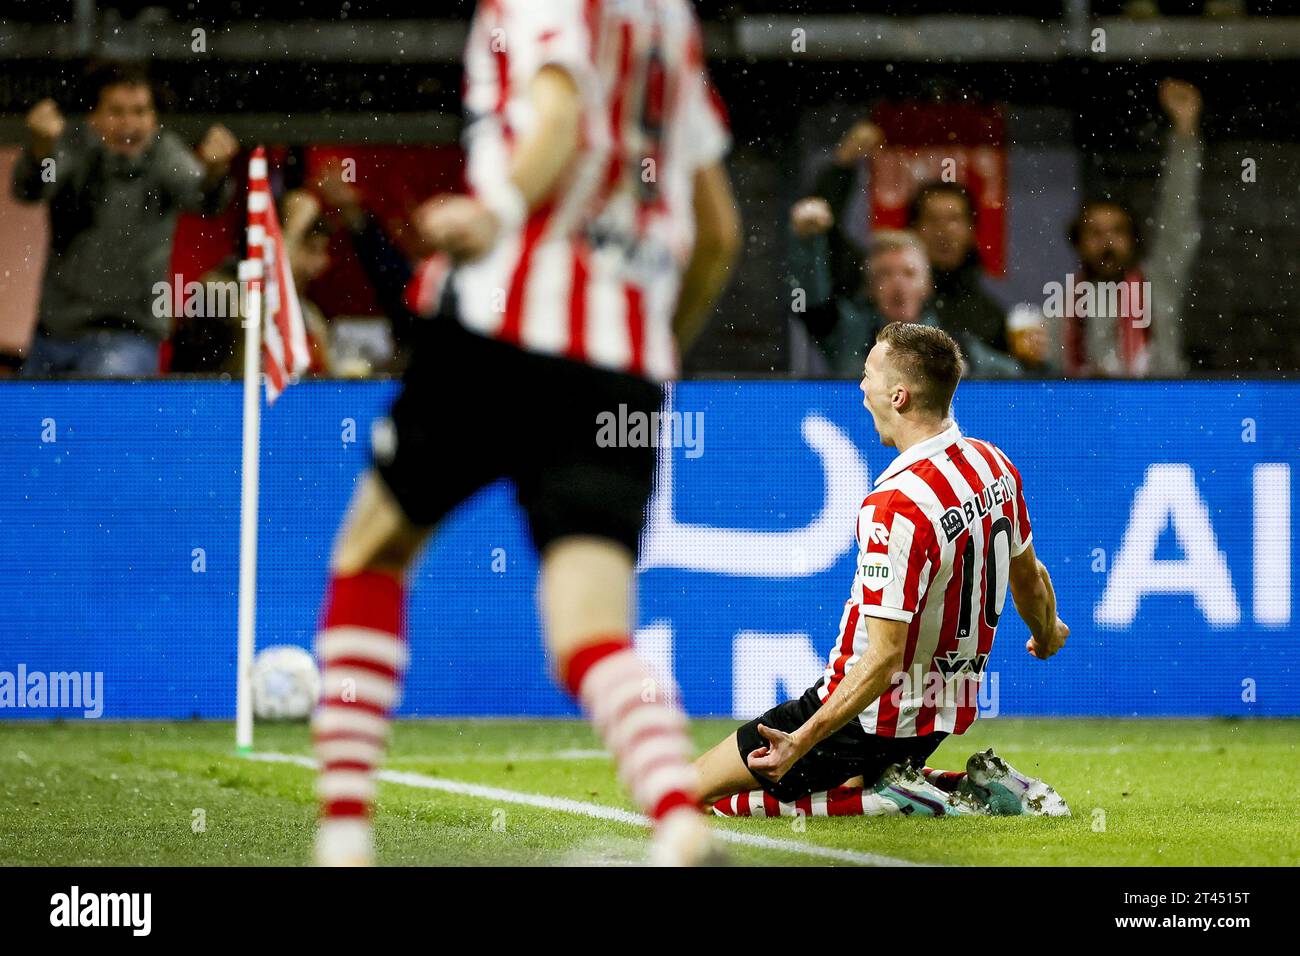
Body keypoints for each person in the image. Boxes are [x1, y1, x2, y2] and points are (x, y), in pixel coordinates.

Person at [310, 0, 740, 866]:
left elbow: (560, 107)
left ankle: (346, 832)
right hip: (618, 368)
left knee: (371, 554)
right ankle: (678, 818)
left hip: (500, 329)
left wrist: (498, 210)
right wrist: (647, 355)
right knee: (590, 633)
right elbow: (719, 234)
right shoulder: (669, 22)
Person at [693, 322, 1071, 819]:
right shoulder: (992, 465)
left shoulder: (896, 505)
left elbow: (885, 656)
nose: (860, 386)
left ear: (899, 395)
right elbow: (1030, 575)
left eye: (868, 374)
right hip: (935, 717)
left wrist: (800, 741)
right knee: (842, 776)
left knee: (683, 794)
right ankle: (964, 784)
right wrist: (1046, 633)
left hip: (865, 717)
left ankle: (891, 800)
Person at [12, 61, 237, 378]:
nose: (129, 124)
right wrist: (39, 149)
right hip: (54, 334)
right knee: (21, 425)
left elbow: (204, 199)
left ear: (155, 119)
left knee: (99, 420)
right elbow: (30, 189)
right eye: (116, 112)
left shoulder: (165, 155)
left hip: (130, 336)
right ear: (93, 118)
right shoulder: (74, 149)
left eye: (140, 111)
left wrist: (215, 171)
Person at [1058, 78, 1203, 377]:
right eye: (1095, 233)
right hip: (1087, 420)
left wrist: (1185, 133)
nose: (1107, 242)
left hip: (1160, 414)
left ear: (1133, 239)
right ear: (1079, 243)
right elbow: (1049, 384)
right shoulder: (1061, 309)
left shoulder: (1159, 285)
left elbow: (1178, 218)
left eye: (1117, 231)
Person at [796, 227, 1024, 378]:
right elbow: (810, 300)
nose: (898, 285)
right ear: (870, 288)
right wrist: (808, 240)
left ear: (927, 286)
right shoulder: (844, 333)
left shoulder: (955, 345)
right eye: (885, 274)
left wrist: (1038, 365)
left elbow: (1013, 374)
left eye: (909, 273)